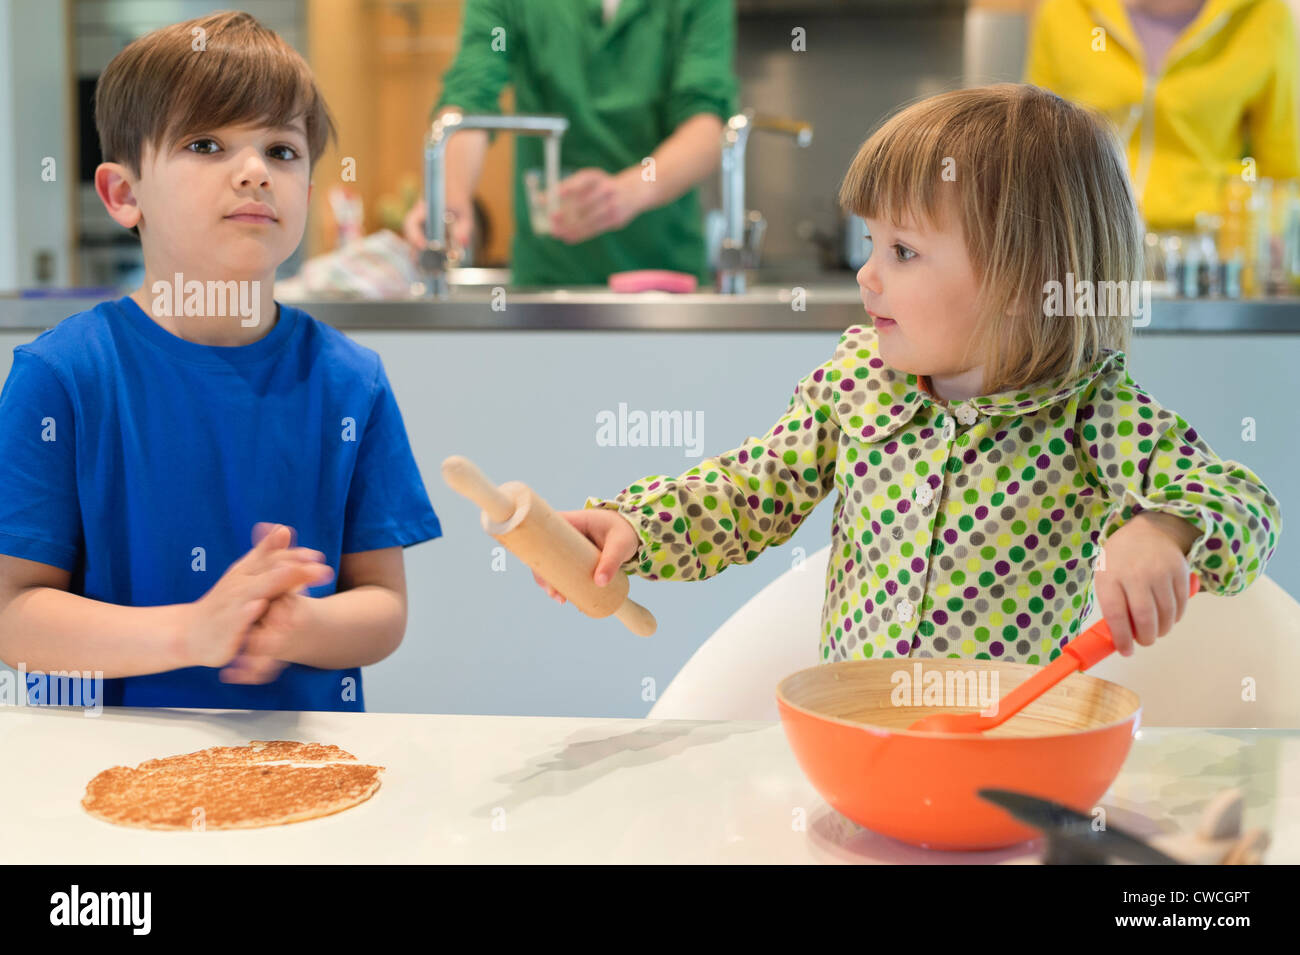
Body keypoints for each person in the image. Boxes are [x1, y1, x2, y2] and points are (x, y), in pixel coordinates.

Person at [532, 84, 1281, 663]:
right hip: (857, 741)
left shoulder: (1093, 412)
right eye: (870, 242)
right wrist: (637, 525)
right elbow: (750, 488)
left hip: (1010, 757)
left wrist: (1167, 528)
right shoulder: (858, 378)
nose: (866, 275)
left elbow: (1246, 501)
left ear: (1025, 279)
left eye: (903, 252)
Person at [0, 12, 442, 710]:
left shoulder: (351, 382)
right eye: (207, 144)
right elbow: (13, 614)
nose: (254, 172)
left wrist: (303, 624)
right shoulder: (62, 378)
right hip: (96, 780)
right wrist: (192, 632)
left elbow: (382, 606)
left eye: (282, 150)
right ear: (123, 193)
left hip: (306, 773)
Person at [403, 0, 738, 286]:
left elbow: (706, 124)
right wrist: (449, 198)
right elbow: (471, 94)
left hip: (664, 278)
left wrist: (631, 190)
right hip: (548, 281)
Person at [1025, 0, 1300, 231]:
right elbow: (1035, 147)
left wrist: (1266, 243)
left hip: (1206, 250)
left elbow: (1282, 171)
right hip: (1088, 239)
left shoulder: (1263, 15)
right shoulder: (1065, 9)